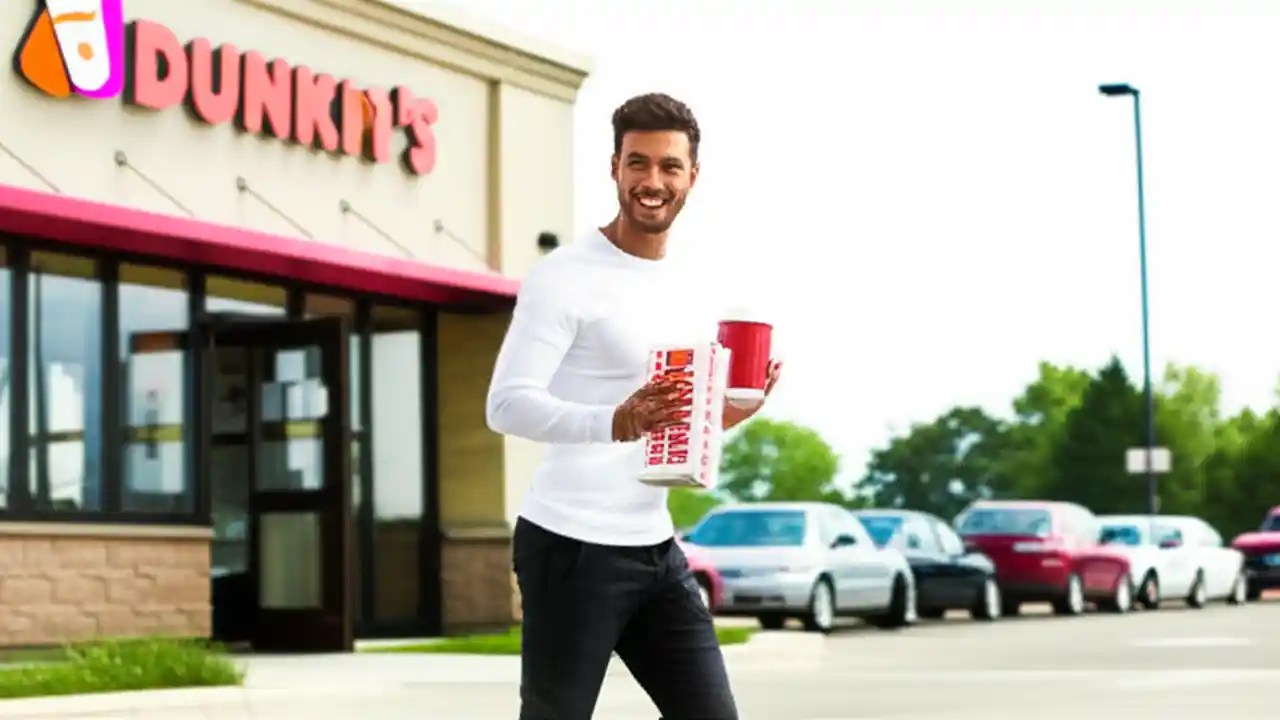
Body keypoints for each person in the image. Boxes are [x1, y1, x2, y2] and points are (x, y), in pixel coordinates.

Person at [485, 92, 780, 720]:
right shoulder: (564, 275)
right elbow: (506, 405)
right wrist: (616, 420)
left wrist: (721, 416)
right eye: (638, 163)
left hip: (655, 544)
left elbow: (673, 421)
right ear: (614, 168)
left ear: (691, 177)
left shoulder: (692, 282)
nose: (653, 181)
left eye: (669, 167)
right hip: (571, 544)